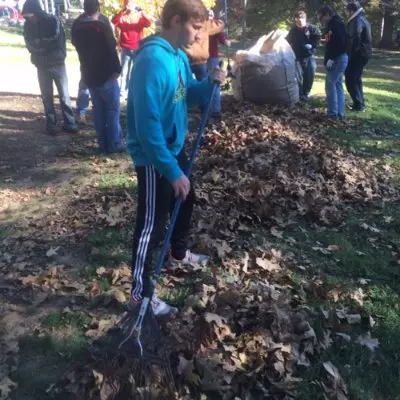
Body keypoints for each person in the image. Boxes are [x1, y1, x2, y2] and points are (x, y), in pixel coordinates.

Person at [126, 0, 225, 315]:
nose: (199, 36)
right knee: (151, 227)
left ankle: (178, 254)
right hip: (155, 157)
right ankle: (140, 296)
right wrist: (170, 170)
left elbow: (189, 97)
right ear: (176, 21)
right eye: (196, 28)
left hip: (173, 148)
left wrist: (210, 82)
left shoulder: (177, 57)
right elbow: (147, 127)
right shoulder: (152, 61)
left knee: (187, 199)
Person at [71, 0, 124, 153]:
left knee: (98, 110)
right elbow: (111, 48)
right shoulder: (102, 25)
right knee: (112, 111)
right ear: (98, 8)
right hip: (106, 75)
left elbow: (74, 43)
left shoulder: (77, 24)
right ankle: (114, 143)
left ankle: (103, 143)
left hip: (88, 73)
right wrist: (117, 69)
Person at [22, 0, 78, 135]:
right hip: (41, 64)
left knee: (64, 94)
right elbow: (29, 44)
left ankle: (70, 122)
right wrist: (41, 46)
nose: (30, 18)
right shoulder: (28, 25)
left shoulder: (53, 21)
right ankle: (51, 124)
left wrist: (40, 44)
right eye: (27, 16)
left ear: (38, 12)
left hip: (57, 63)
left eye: (32, 15)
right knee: (47, 96)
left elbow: (55, 39)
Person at [112, 1, 152, 99]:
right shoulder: (123, 17)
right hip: (126, 48)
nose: (129, 5)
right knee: (124, 71)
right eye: (127, 4)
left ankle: (134, 92)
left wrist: (141, 11)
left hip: (138, 48)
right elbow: (114, 21)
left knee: (137, 71)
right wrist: (123, 11)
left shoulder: (139, 17)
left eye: (131, 3)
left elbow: (148, 22)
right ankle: (123, 92)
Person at [317, 5, 348, 120]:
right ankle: (340, 113)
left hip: (338, 58)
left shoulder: (336, 25)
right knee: (338, 85)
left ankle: (332, 113)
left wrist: (332, 57)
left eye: (322, 18)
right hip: (339, 57)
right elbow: (334, 41)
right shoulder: (334, 24)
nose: (321, 21)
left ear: (327, 14)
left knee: (330, 85)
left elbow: (341, 43)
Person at [286, 10, 321, 101]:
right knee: (297, 76)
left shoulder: (313, 29)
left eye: (300, 20)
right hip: (297, 56)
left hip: (309, 56)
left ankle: (306, 93)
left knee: (310, 74)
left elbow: (317, 40)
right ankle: (300, 94)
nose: (299, 22)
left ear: (305, 19)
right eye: (297, 21)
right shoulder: (293, 31)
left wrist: (311, 46)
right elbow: (288, 42)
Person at [344, 1, 372, 112]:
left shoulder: (357, 21)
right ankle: (360, 103)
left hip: (357, 54)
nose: (346, 13)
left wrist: (349, 54)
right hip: (364, 54)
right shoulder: (363, 19)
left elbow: (355, 38)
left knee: (350, 78)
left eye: (346, 11)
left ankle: (358, 105)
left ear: (351, 11)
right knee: (356, 79)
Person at [183, 9, 224, 81]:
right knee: (203, 84)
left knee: (185, 86)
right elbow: (220, 26)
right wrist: (214, 20)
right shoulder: (206, 24)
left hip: (187, 60)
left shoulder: (185, 23)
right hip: (200, 61)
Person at [208, 10, 230, 120]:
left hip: (201, 58)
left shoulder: (200, 25)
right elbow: (222, 39)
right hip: (211, 56)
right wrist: (227, 42)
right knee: (215, 82)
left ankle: (206, 107)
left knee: (205, 80)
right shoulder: (214, 26)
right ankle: (215, 110)